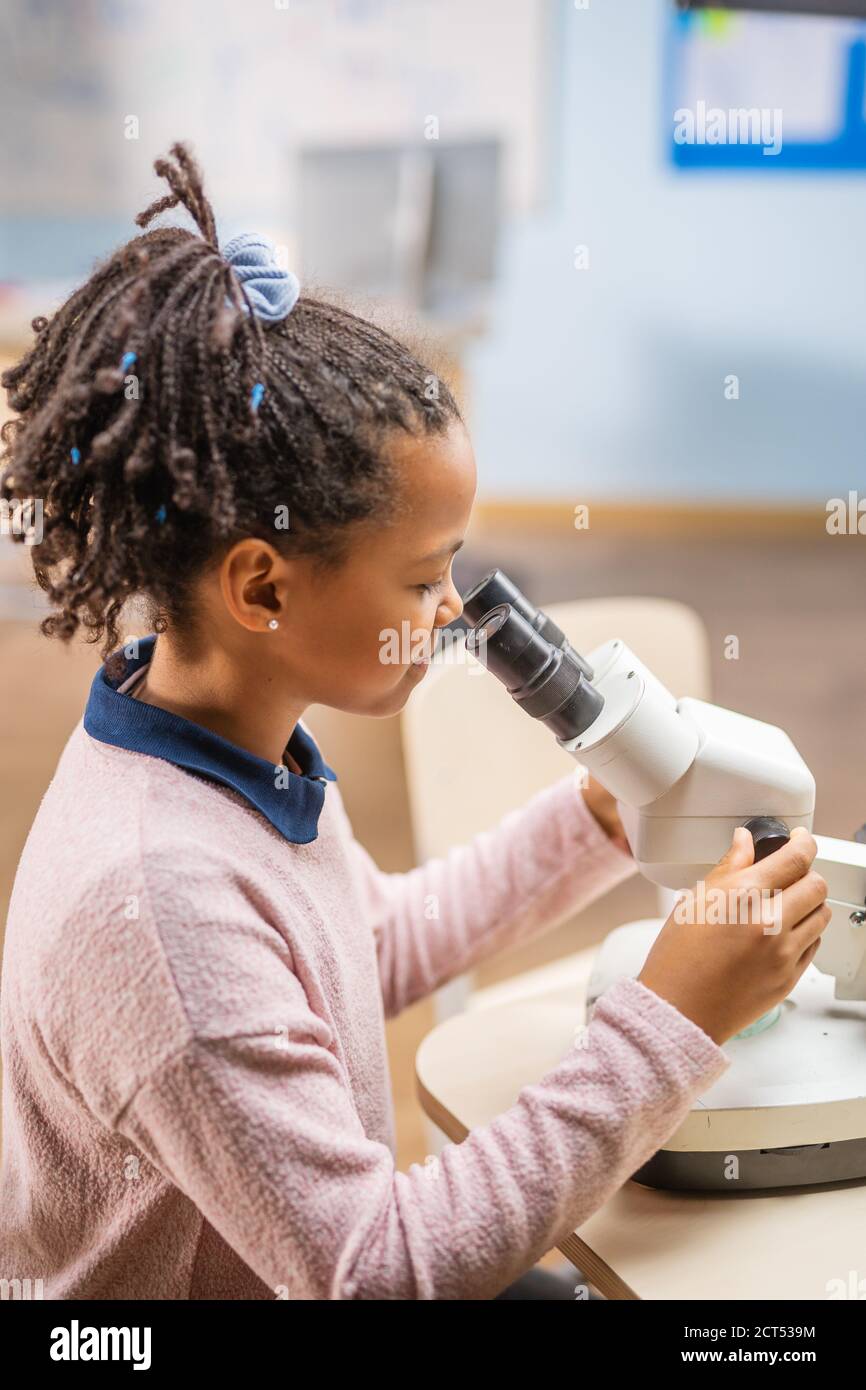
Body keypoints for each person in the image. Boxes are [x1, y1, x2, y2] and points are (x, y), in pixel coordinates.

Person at [0, 142, 830, 1301]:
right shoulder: (158, 903)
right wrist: (672, 1015)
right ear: (263, 587)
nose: (451, 611)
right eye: (425, 576)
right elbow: (378, 1271)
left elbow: (363, 947)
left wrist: (591, 819)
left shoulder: (222, 740)